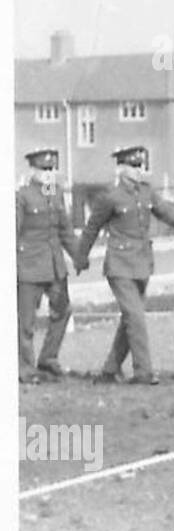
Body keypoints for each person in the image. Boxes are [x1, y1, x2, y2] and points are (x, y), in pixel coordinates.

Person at [74, 145, 174, 384]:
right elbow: (92, 228)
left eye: (140, 166)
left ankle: (110, 370)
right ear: (121, 169)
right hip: (119, 265)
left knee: (131, 318)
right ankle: (143, 372)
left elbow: (166, 212)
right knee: (135, 316)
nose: (137, 171)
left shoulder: (147, 193)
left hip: (142, 263)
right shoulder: (111, 197)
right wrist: (81, 258)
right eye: (132, 166)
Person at [16, 149, 84, 383]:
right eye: (43, 170)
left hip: (55, 267)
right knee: (25, 321)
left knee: (63, 311)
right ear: (32, 171)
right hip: (29, 267)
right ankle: (25, 369)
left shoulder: (56, 196)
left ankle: (48, 359)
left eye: (51, 170)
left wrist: (79, 256)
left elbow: (65, 230)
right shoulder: (22, 196)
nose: (48, 175)